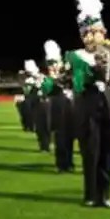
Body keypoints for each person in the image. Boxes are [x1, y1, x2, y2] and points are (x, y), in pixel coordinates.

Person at [66, 0, 110, 207]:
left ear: (103, 33)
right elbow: (78, 82)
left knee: (108, 150)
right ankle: (90, 194)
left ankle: (105, 194)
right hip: (87, 103)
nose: (91, 36)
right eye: (87, 33)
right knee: (90, 150)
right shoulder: (75, 56)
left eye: (95, 32)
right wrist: (92, 70)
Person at [44, 40, 76, 173]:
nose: (53, 66)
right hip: (58, 106)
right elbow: (48, 89)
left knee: (70, 137)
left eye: (55, 63)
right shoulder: (50, 78)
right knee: (60, 137)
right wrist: (54, 79)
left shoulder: (68, 70)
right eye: (51, 64)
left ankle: (69, 162)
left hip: (70, 106)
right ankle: (61, 164)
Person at [22, 59, 51, 151]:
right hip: (36, 105)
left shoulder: (43, 77)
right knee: (40, 127)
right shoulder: (28, 80)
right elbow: (27, 92)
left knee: (47, 126)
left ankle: (46, 144)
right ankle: (43, 146)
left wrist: (41, 84)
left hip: (45, 104)